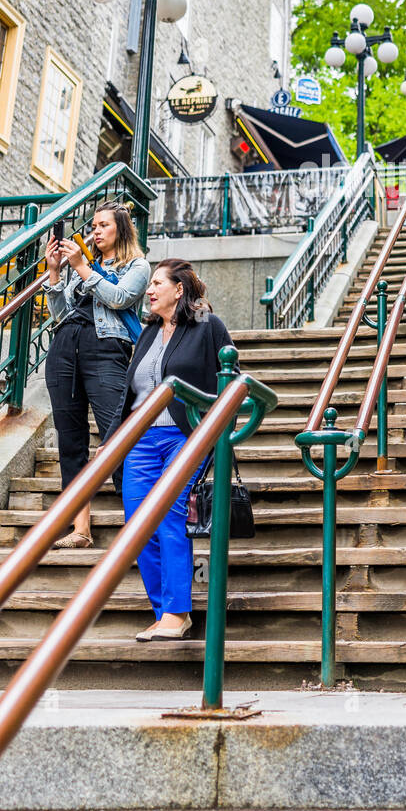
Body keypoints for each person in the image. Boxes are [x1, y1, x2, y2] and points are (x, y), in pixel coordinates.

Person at [118, 259, 235, 642]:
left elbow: (231, 382)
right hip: (141, 440)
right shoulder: (148, 333)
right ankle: (162, 611)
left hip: (184, 436)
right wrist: (113, 439)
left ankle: (176, 612)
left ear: (179, 289)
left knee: (170, 516)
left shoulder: (207, 326)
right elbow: (132, 391)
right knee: (138, 524)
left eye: (157, 283)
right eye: (149, 284)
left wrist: (214, 431)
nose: (149, 290)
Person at [44, 202, 151, 550]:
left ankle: (140, 524)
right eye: (94, 226)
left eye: (104, 225)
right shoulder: (83, 266)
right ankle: (80, 529)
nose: (96, 231)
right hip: (65, 347)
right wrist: (56, 273)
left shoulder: (137, 266)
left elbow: (119, 299)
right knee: (70, 442)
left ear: (121, 228)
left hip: (106, 348)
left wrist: (82, 267)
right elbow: (60, 314)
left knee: (118, 436)